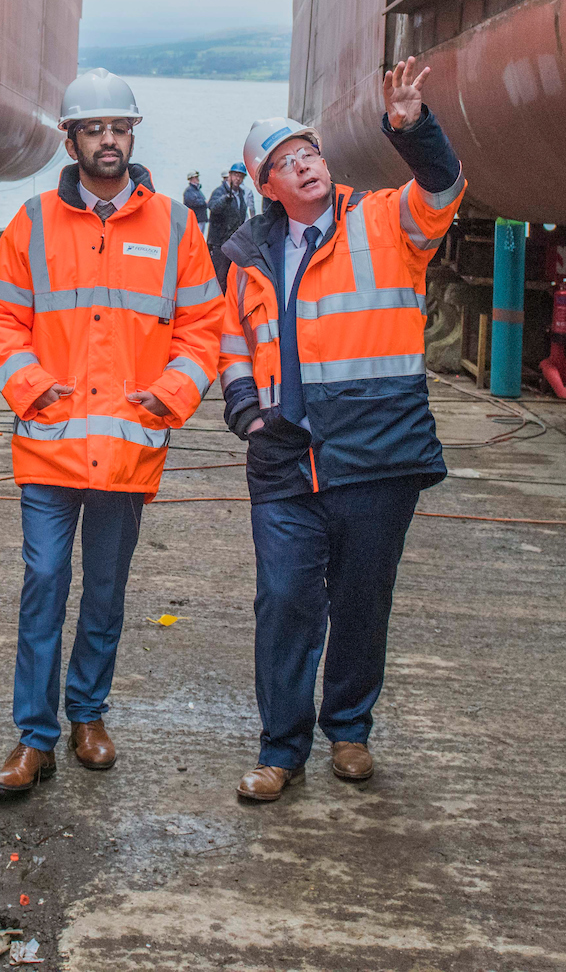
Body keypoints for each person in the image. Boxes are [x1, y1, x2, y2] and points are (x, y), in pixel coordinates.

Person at [214, 57, 467, 803]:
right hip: (285, 457)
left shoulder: (388, 219)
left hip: (375, 452)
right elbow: (233, 344)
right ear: (267, 186)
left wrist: (412, 127)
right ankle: (280, 750)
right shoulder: (247, 257)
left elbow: (444, 186)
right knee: (286, 601)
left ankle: (349, 731)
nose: (306, 167)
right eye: (288, 163)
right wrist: (244, 413)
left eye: (311, 153)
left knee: (362, 600)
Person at [0, 68, 226, 791]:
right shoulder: (32, 224)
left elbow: (204, 326)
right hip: (49, 442)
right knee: (45, 583)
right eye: (95, 129)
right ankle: (34, 736)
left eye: (119, 128)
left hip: (127, 448)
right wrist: (29, 388)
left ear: (132, 134)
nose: (108, 140)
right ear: (72, 138)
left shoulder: (176, 225)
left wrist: (167, 398)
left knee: (106, 591)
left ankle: (88, 716)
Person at [206, 164, 253, 284]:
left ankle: (227, 301)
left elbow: (240, 217)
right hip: (218, 244)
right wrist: (225, 199)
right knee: (218, 278)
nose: (238, 179)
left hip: (232, 243)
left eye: (241, 176)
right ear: (230, 175)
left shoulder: (241, 194)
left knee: (230, 278)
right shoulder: (219, 191)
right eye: (236, 175)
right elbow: (213, 207)